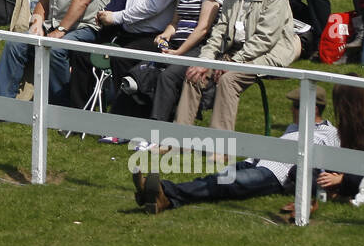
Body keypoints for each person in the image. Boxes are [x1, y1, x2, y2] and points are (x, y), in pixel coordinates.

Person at [135, 86, 338, 214]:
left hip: (275, 174)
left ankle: (160, 191)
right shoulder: (294, 127)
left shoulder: (329, 133)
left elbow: (331, 166)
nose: (291, 109)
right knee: (212, 180)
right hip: (255, 162)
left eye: (295, 105)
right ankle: (161, 197)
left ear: (313, 109)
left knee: (223, 184)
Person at [173, 0, 301, 131]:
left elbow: (264, 40)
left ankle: (219, 146)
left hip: (266, 56)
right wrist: (204, 61)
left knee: (229, 80)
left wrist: (234, 63)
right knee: (194, 75)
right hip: (234, 55)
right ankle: (179, 137)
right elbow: (218, 33)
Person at [116, 0, 227, 122]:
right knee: (137, 66)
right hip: (178, 44)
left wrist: (178, 53)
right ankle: (126, 122)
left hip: (199, 48)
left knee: (168, 76)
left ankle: (158, 126)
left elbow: (202, 29)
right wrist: (165, 35)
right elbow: (175, 21)